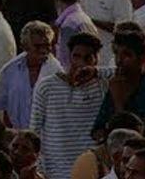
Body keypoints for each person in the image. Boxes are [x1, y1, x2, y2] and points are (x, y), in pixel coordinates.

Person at [29, 33, 108, 179]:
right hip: (55, 172)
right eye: (76, 56)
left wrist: (95, 72)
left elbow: (127, 73)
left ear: (96, 59)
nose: (81, 62)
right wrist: (39, 170)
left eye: (88, 57)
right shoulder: (47, 86)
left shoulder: (102, 84)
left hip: (89, 171)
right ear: (70, 56)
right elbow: (34, 132)